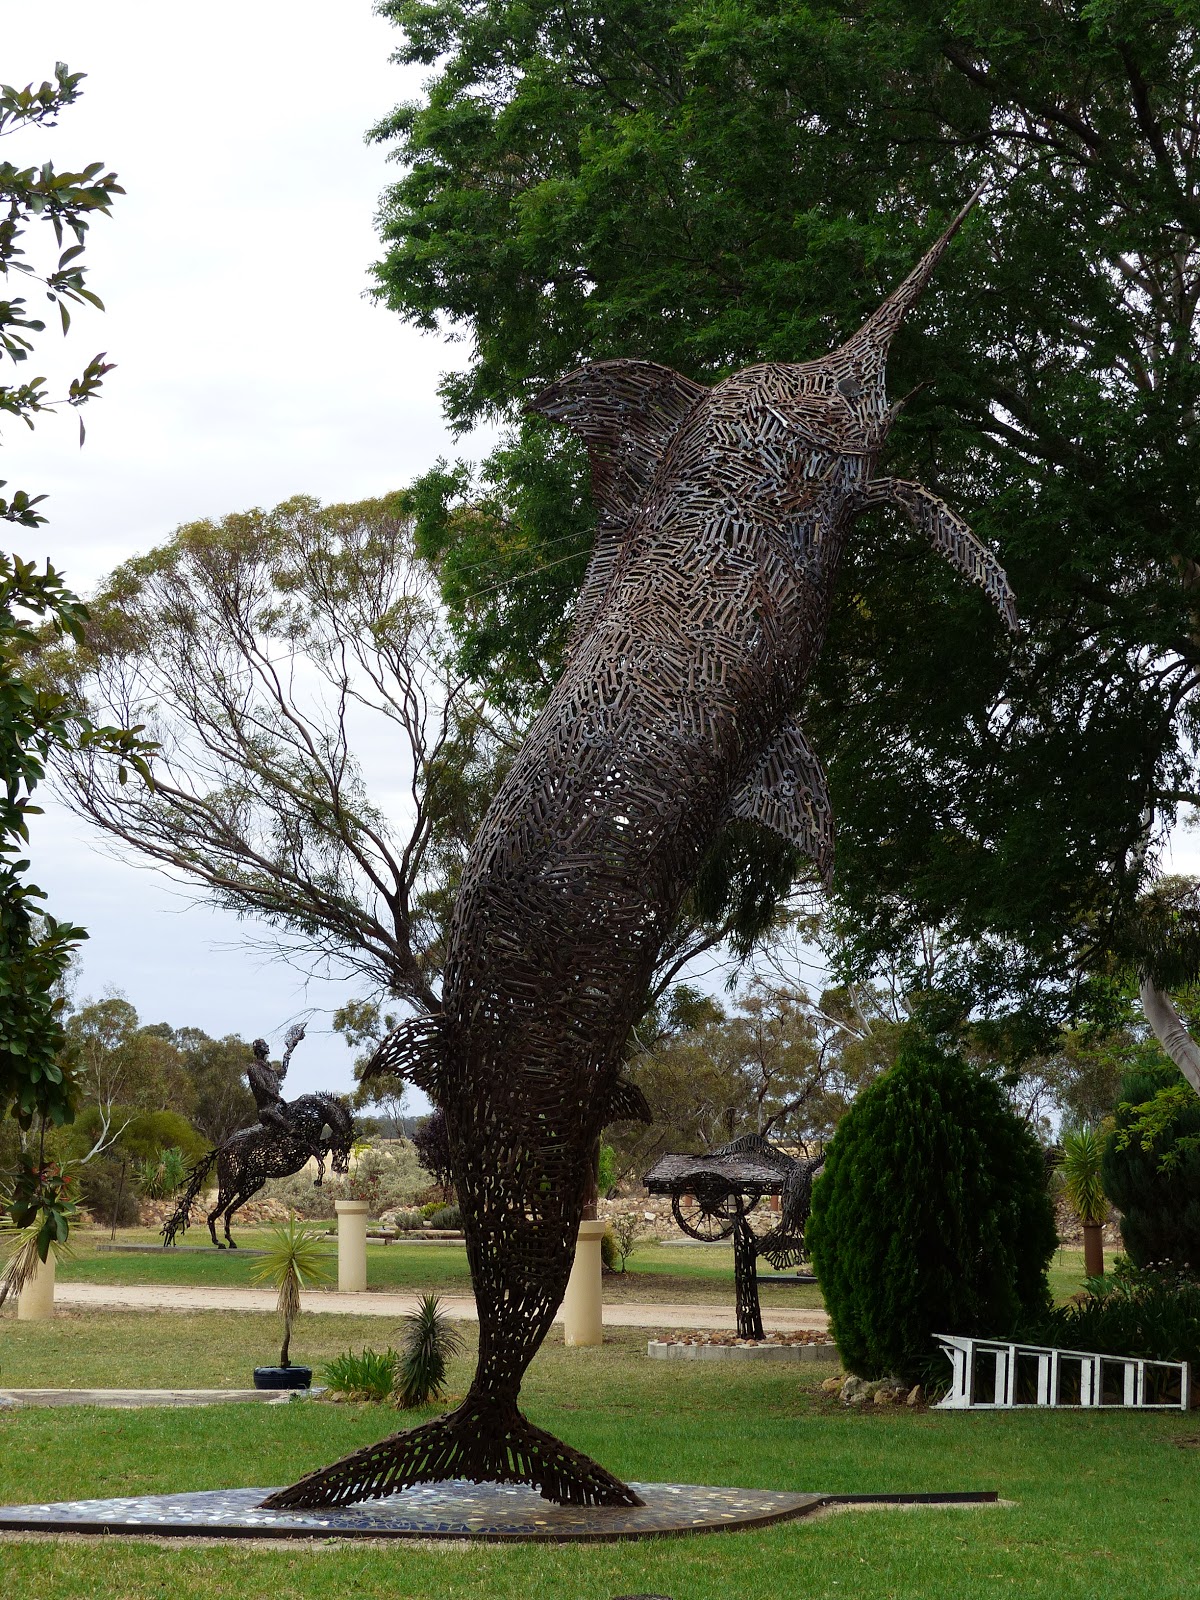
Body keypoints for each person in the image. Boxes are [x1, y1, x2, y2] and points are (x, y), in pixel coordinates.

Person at [247, 1037, 294, 1137]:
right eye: (264, 1045)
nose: (267, 1046)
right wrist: (277, 1097)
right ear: (258, 1050)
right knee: (288, 1127)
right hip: (265, 1109)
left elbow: (283, 1071)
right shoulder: (253, 1067)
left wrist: (289, 1051)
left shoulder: (269, 1068)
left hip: (277, 1105)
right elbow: (262, 1087)